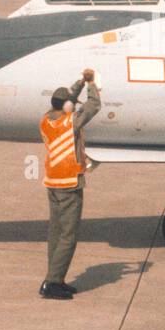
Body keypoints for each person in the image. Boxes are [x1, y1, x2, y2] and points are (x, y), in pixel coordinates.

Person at [38, 69, 101, 299]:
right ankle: (52, 283)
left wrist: (80, 83)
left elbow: (68, 100)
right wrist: (92, 84)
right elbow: (94, 106)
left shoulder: (46, 120)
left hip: (53, 182)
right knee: (68, 236)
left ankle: (55, 277)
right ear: (66, 106)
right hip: (69, 184)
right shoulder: (69, 123)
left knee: (55, 233)